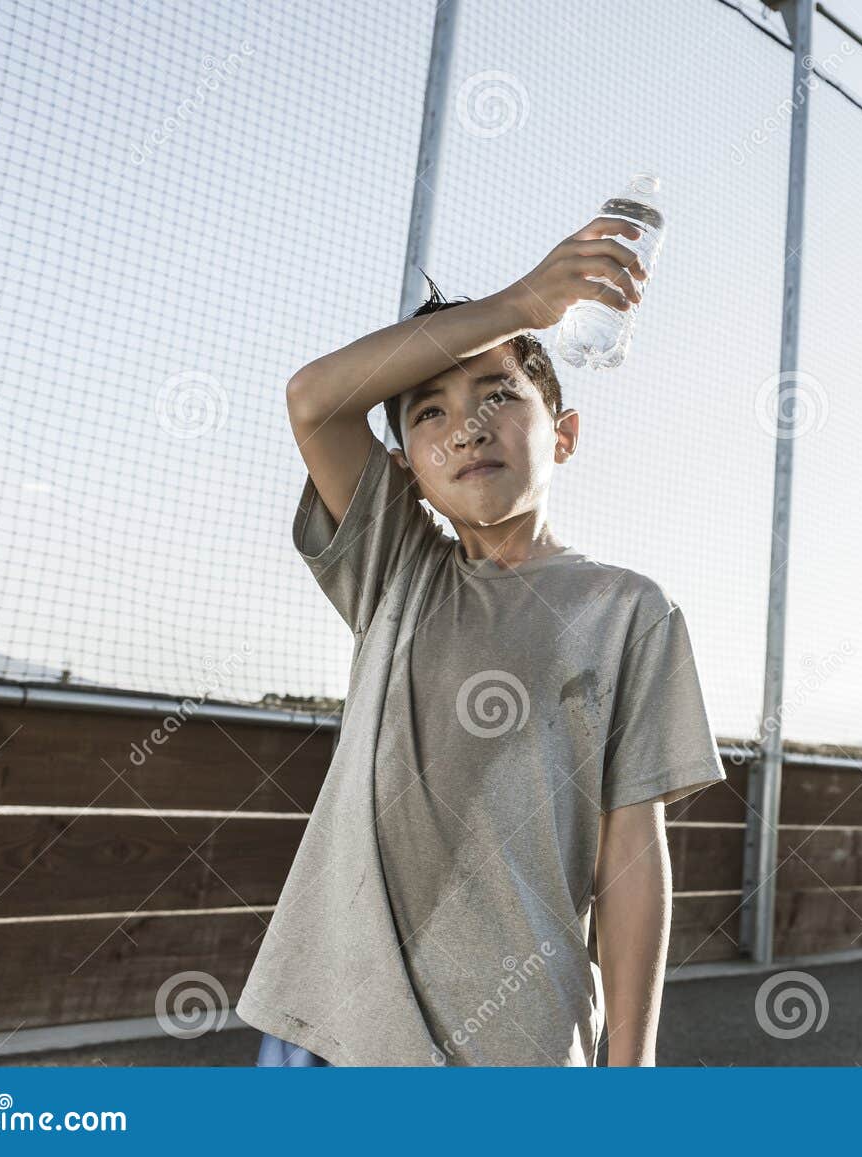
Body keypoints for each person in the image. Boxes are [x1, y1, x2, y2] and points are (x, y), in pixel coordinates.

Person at [238, 215, 728, 1066]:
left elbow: (630, 854)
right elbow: (315, 398)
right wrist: (526, 303)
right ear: (406, 466)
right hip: (333, 1030)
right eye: (430, 412)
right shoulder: (398, 570)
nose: (465, 427)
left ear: (563, 433)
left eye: (498, 395)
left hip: (518, 1042)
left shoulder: (630, 612)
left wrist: (634, 1063)